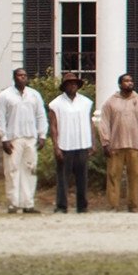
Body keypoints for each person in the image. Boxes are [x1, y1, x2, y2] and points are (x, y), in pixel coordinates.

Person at [0, 67, 47, 213]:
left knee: (30, 170)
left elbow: (41, 115)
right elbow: (0, 117)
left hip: (30, 138)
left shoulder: (34, 95)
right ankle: (13, 203)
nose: (22, 78)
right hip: (13, 138)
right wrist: (3, 138)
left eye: (24, 75)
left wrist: (42, 135)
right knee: (12, 170)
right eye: (19, 75)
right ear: (14, 78)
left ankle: (28, 203)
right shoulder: (5, 96)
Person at [97, 72, 138, 212]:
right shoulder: (110, 102)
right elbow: (104, 123)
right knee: (113, 176)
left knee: (135, 176)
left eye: (131, 81)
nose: (129, 83)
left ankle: (133, 205)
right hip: (115, 145)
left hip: (135, 145)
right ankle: (113, 205)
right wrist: (105, 142)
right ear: (120, 84)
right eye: (126, 81)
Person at [47, 72, 95, 213]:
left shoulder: (85, 102)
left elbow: (90, 122)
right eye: (69, 83)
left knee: (82, 177)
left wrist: (93, 141)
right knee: (62, 178)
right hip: (65, 145)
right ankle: (62, 206)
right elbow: (54, 126)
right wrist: (56, 146)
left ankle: (82, 206)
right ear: (65, 86)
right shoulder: (56, 104)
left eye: (75, 83)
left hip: (82, 144)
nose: (73, 85)